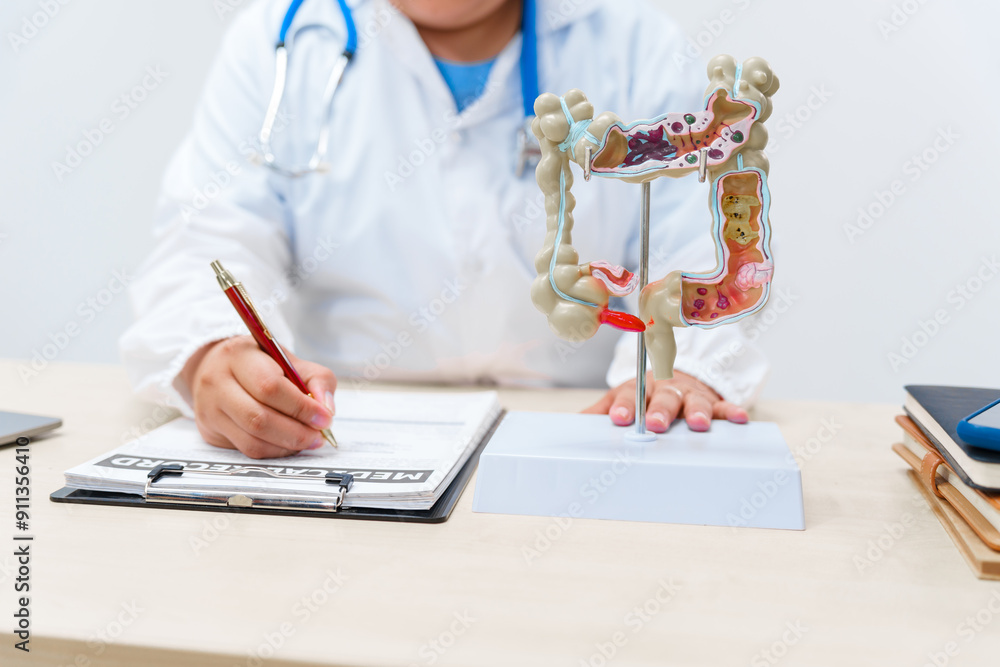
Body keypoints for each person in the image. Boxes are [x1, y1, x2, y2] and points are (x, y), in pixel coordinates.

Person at [120, 0, 768, 459]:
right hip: (342, 437)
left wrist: (682, 368)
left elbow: (701, 247)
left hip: (578, 435)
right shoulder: (280, 41)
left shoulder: (634, 43)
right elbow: (205, 239)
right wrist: (216, 352)